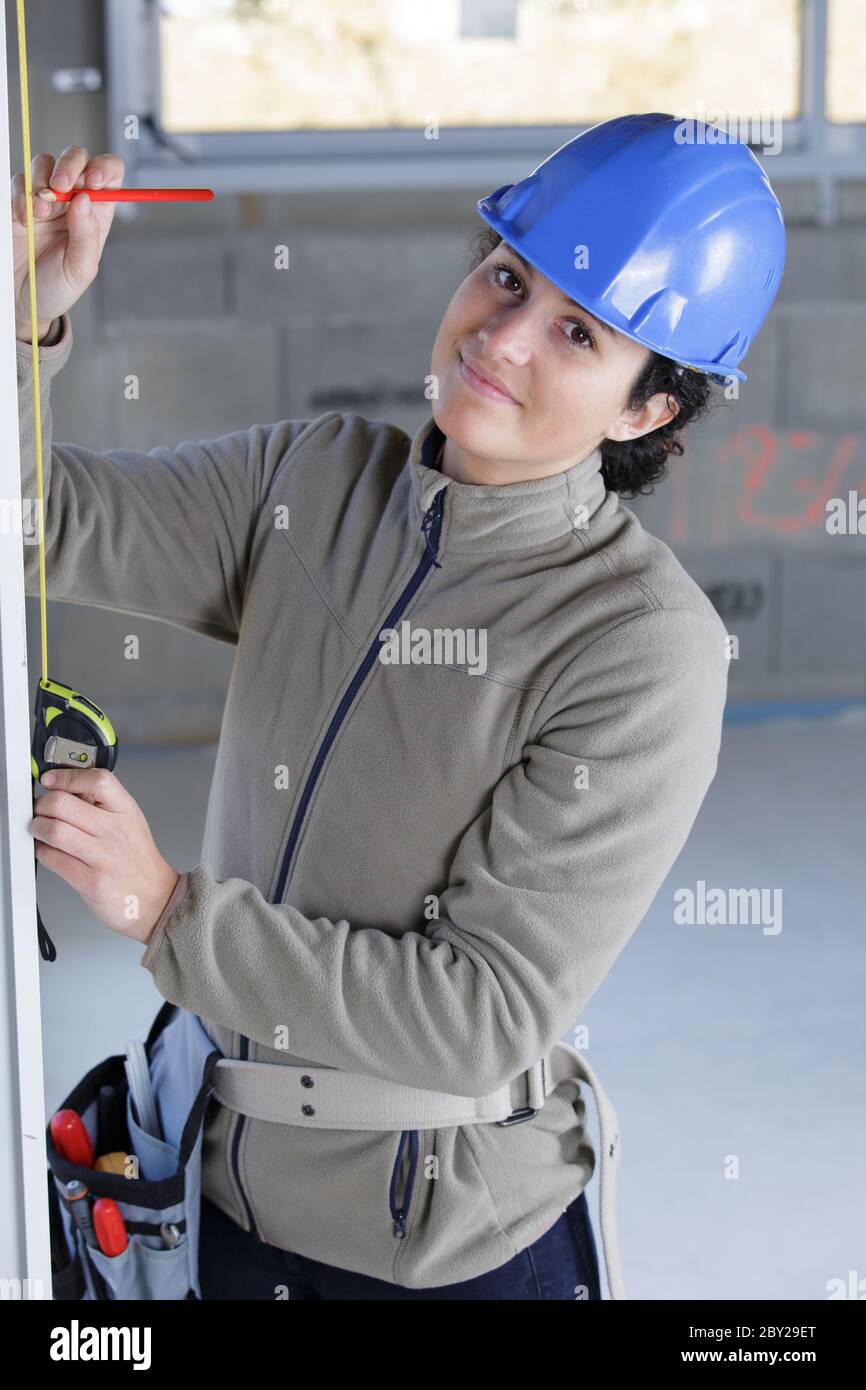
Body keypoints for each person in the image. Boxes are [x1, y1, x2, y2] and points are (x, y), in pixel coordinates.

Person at [14, 113, 785, 1300]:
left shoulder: (640, 647)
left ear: (648, 411)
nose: (503, 338)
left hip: (429, 1258)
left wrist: (166, 909)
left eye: (577, 332)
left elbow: (477, 1013)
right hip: (205, 1179)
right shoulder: (315, 480)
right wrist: (29, 322)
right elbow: (42, 523)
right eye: (506, 276)